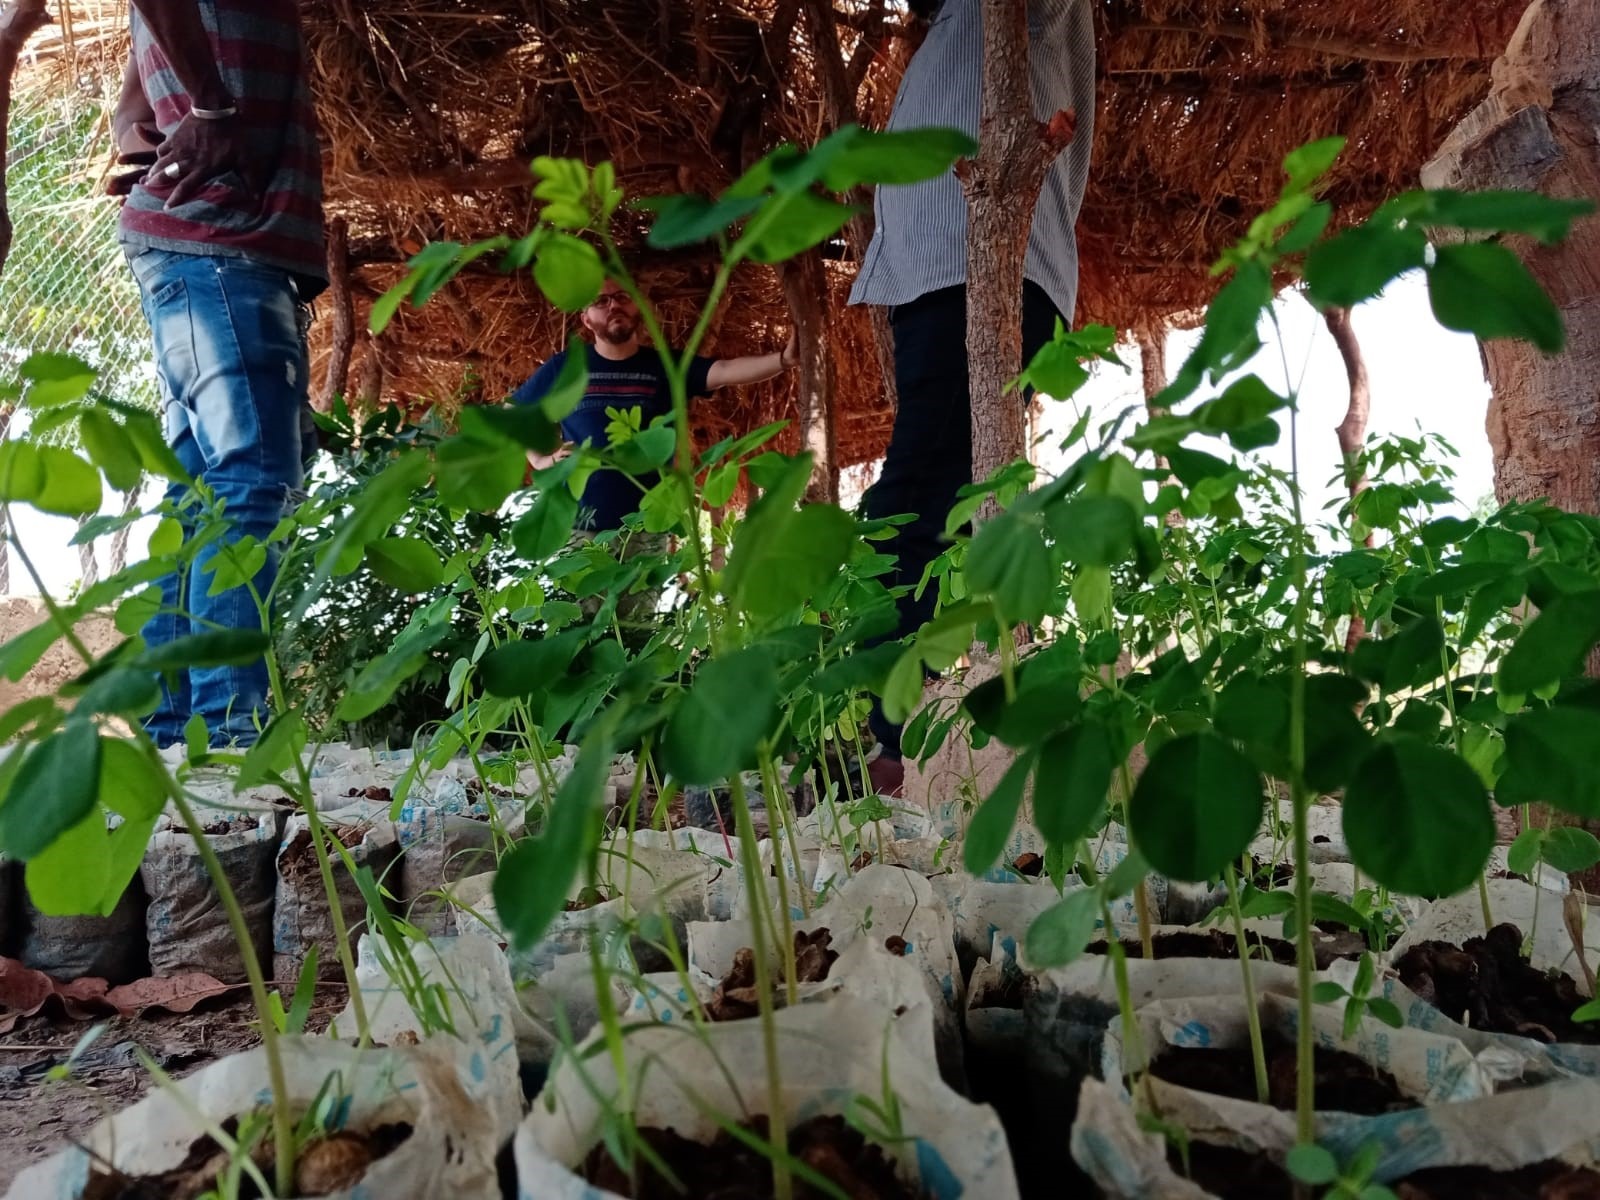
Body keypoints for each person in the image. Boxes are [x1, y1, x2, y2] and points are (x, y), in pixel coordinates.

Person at [848, 0, 1096, 795]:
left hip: (977, 248)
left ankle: (889, 742)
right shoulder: (970, 22)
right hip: (953, 251)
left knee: (918, 494)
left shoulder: (1015, 18)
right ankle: (908, 732)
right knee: (941, 491)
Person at [110, 0, 327, 748]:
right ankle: (231, 728)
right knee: (251, 478)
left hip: (209, 246)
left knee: (201, 487)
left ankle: (175, 729)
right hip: (223, 244)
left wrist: (132, 122)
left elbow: (136, 84)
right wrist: (208, 103)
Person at [511, 279, 799, 535]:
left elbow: (723, 370)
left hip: (648, 524)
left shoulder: (665, 366)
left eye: (623, 297)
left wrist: (783, 360)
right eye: (601, 301)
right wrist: (540, 461)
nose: (614, 305)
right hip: (578, 526)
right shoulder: (565, 368)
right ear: (586, 320)